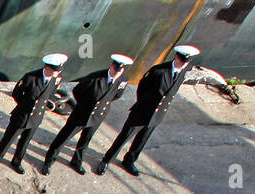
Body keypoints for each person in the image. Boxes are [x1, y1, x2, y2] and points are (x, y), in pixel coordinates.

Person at [96, 45, 198, 176]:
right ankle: (106, 160)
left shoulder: (184, 72)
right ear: (177, 56)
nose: (183, 65)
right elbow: (142, 88)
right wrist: (145, 104)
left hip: (158, 112)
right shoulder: (158, 71)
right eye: (182, 61)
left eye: (186, 62)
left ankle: (130, 160)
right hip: (143, 110)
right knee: (124, 137)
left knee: (142, 139)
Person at [40, 54, 132, 175]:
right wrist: (85, 105)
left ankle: (77, 161)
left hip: (98, 114)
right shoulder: (95, 78)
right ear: (111, 66)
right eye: (115, 69)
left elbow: (117, 95)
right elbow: (77, 91)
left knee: (85, 141)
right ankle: (49, 161)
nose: (116, 72)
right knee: (63, 138)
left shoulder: (123, 79)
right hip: (82, 113)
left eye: (119, 70)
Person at [0, 53, 66, 174]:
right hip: (22, 115)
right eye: (55, 70)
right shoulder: (30, 77)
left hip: (36, 117)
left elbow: (51, 93)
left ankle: (17, 161)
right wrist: (25, 106)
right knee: (8, 140)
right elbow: (17, 93)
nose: (57, 73)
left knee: (25, 142)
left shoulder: (57, 79)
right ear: (47, 68)